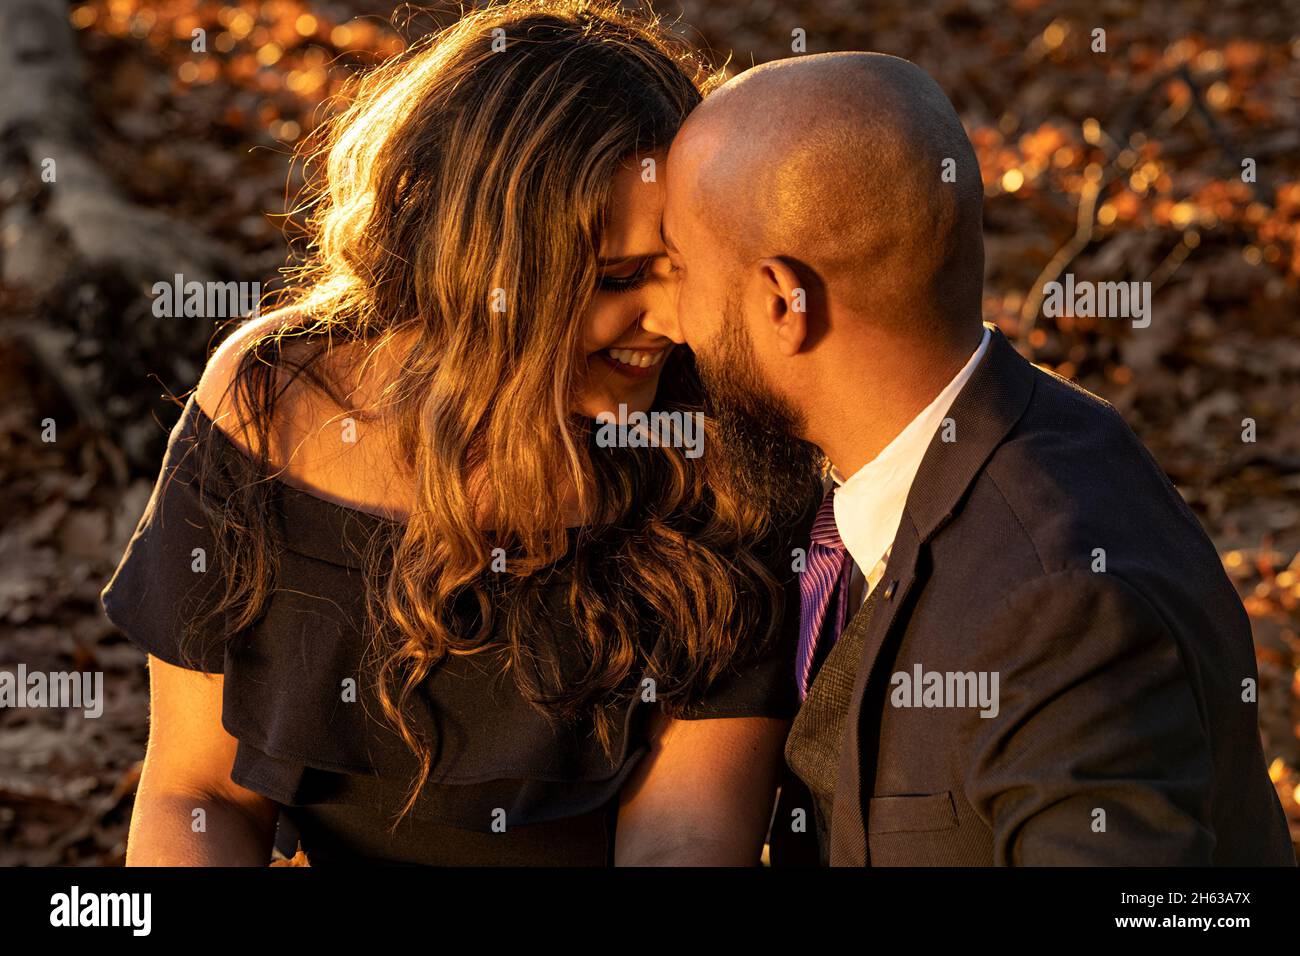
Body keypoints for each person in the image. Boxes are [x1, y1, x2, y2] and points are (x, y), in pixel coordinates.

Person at [101, 0, 822, 867]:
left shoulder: (723, 451)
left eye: (682, 270)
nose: (671, 319)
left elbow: (688, 840)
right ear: (479, 268)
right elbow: (199, 794)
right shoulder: (268, 402)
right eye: (620, 277)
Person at [648, 50, 1296, 865]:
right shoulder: (894, 479)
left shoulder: (1060, 605)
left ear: (785, 303)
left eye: (680, 268)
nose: (668, 319)